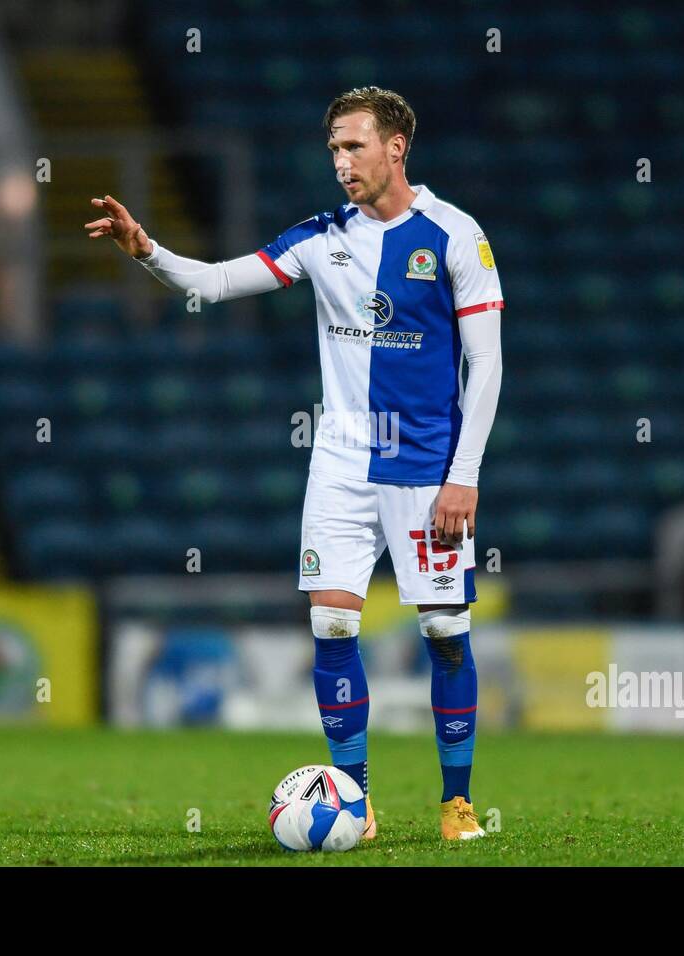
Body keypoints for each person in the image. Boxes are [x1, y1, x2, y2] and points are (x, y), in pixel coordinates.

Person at [86, 86, 503, 841]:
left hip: (425, 470)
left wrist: (464, 474)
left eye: (354, 146)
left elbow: (488, 364)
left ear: (395, 148)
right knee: (332, 626)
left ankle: (456, 803)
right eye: (333, 149)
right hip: (341, 464)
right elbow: (213, 282)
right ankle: (359, 802)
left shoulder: (454, 236)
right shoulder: (320, 237)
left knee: (445, 631)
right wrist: (148, 252)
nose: (340, 162)